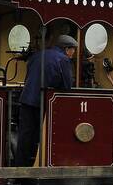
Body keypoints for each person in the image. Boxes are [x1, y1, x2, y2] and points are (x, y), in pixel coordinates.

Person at [13, 33, 77, 166]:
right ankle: (42, 165)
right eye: (73, 50)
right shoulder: (63, 60)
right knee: (45, 136)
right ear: (66, 49)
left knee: (25, 136)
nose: (73, 53)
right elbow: (67, 86)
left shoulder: (37, 55)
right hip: (43, 103)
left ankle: (20, 168)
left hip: (26, 100)